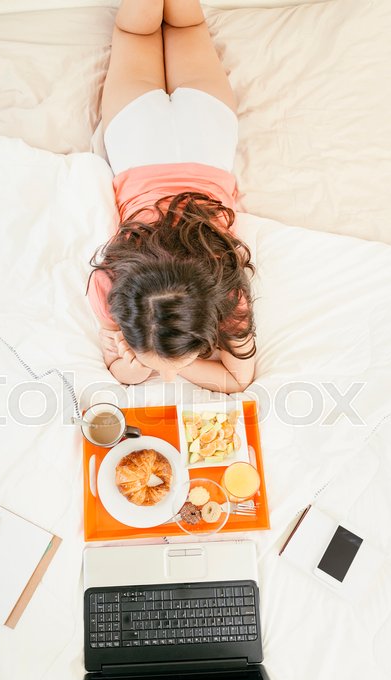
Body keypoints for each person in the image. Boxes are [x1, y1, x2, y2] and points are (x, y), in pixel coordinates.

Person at [87, 0, 256, 393]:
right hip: (139, 138)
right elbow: (237, 379)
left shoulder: (229, 291)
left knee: (187, 25)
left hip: (206, 136)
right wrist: (150, 361)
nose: (166, 377)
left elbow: (234, 380)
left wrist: (147, 364)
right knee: (135, 33)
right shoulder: (108, 281)